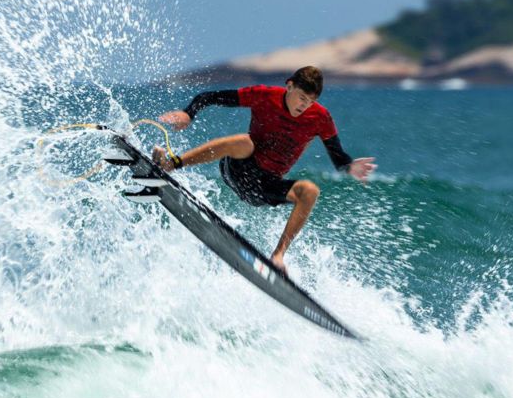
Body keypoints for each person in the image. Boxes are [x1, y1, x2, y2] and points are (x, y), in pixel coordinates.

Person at [152, 66, 376, 274]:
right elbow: (210, 97)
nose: (304, 105)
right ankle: (170, 164)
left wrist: (350, 167)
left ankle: (278, 256)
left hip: (265, 187)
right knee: (245, 142)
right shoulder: (264, 95)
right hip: (238, 170)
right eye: (301, 97)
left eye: (310, 101)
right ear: (289, 86)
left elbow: (338, 158)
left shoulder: (320, 117)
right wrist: (189, 113)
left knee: (310, 191)